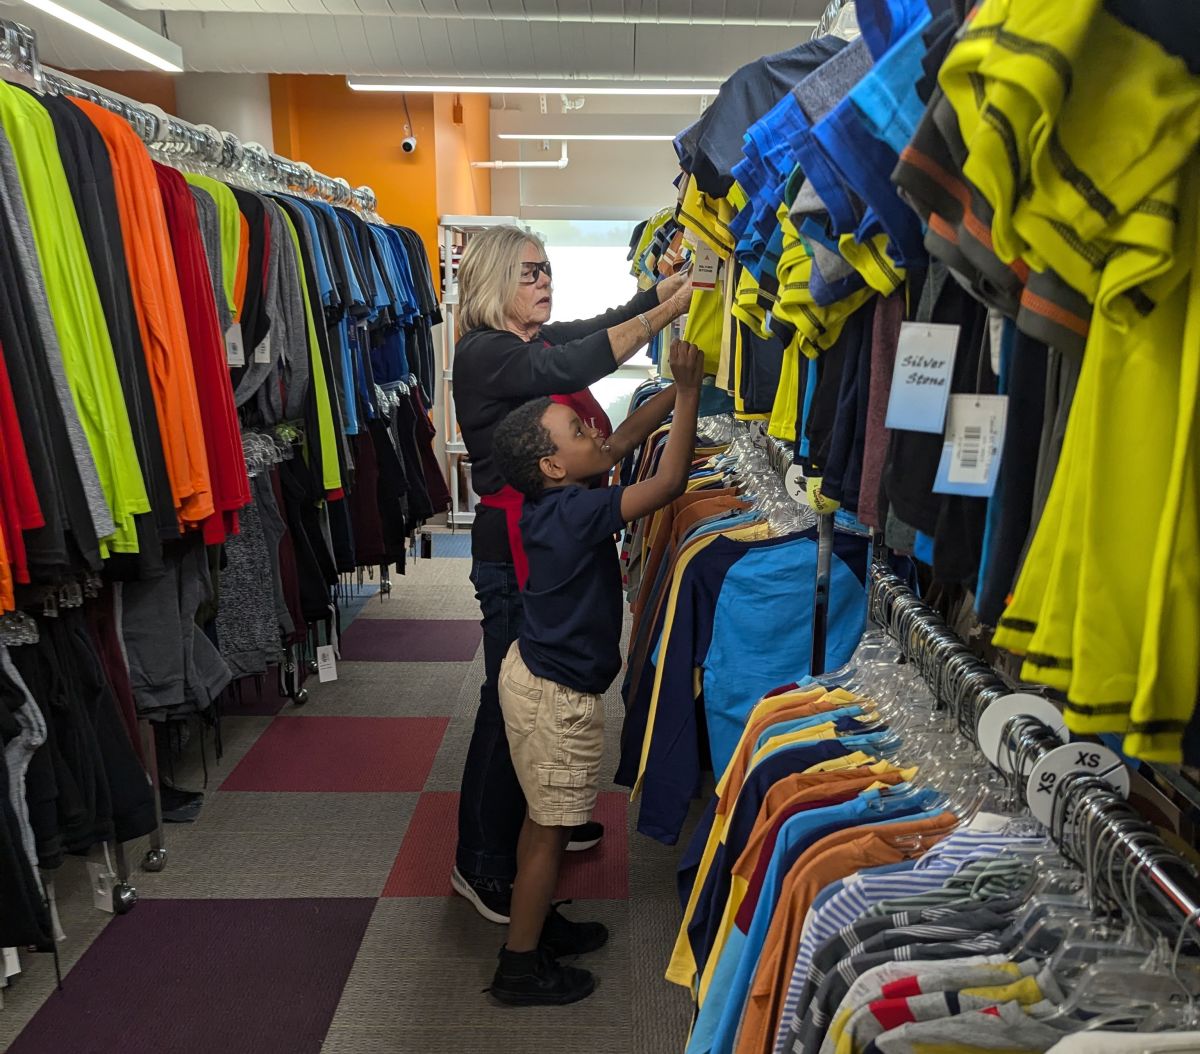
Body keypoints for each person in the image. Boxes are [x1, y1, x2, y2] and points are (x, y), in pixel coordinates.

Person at [451, 225, 692, 923]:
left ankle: (542, 810)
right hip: (511, 552)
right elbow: (570, 365)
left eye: (548, 270)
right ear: (495, 280)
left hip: (540, 544)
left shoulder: (525, 343)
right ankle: (483, 861)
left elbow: (592, 328)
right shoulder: (487, 354)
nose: (545, 282)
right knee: (510, 704)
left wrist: (660, 293)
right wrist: (667, 312)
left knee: (534, 700)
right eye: (530, 273)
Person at [485, 339, 704, 1005]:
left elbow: (618, 442)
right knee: (550, 830)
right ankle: (519, 966)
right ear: (553, 464)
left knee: (538, 820)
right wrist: (690, 396)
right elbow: (666, 484)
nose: (595, 431)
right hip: (555, 698)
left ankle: (536, 922)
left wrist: (675, 387)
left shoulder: (556, 497)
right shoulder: (576, 512)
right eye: (578, 429)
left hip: (535, 676)